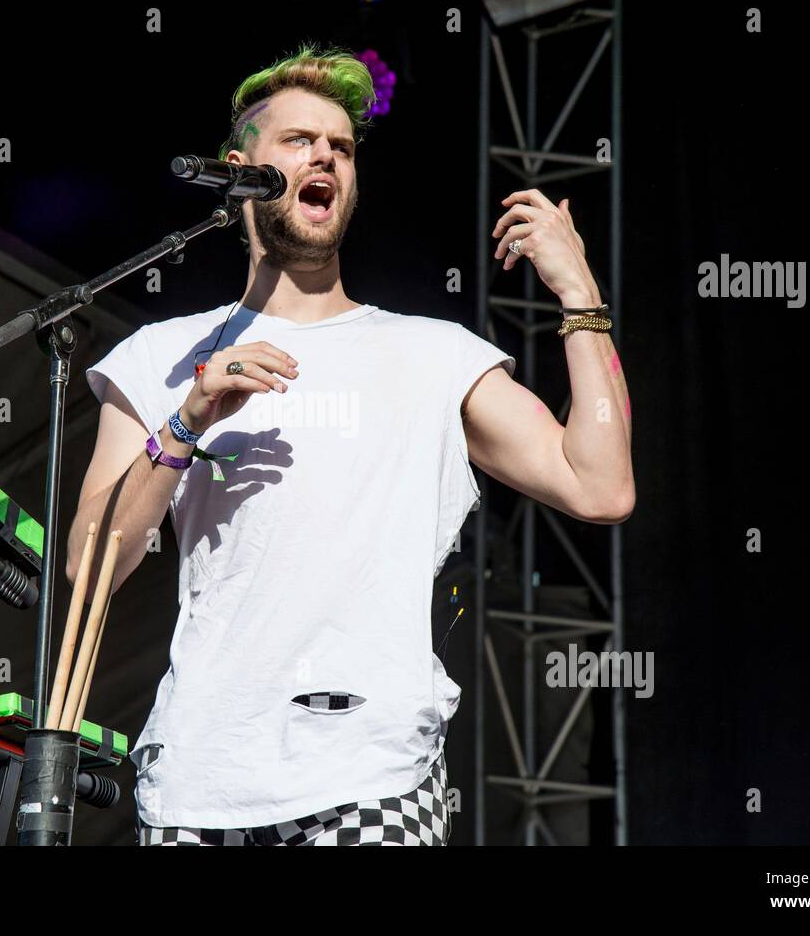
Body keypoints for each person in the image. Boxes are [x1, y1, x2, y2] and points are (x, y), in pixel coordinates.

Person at [67, 43, 634, 845]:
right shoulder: (163, 356)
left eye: (340, 146)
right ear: (240, 169)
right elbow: (88, 566)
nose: (325, 155)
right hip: (197, 783)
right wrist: (185, 422)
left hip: (373, 780)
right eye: (299, 140)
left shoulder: (436, 355)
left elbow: (601, 486)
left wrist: (581, 295)